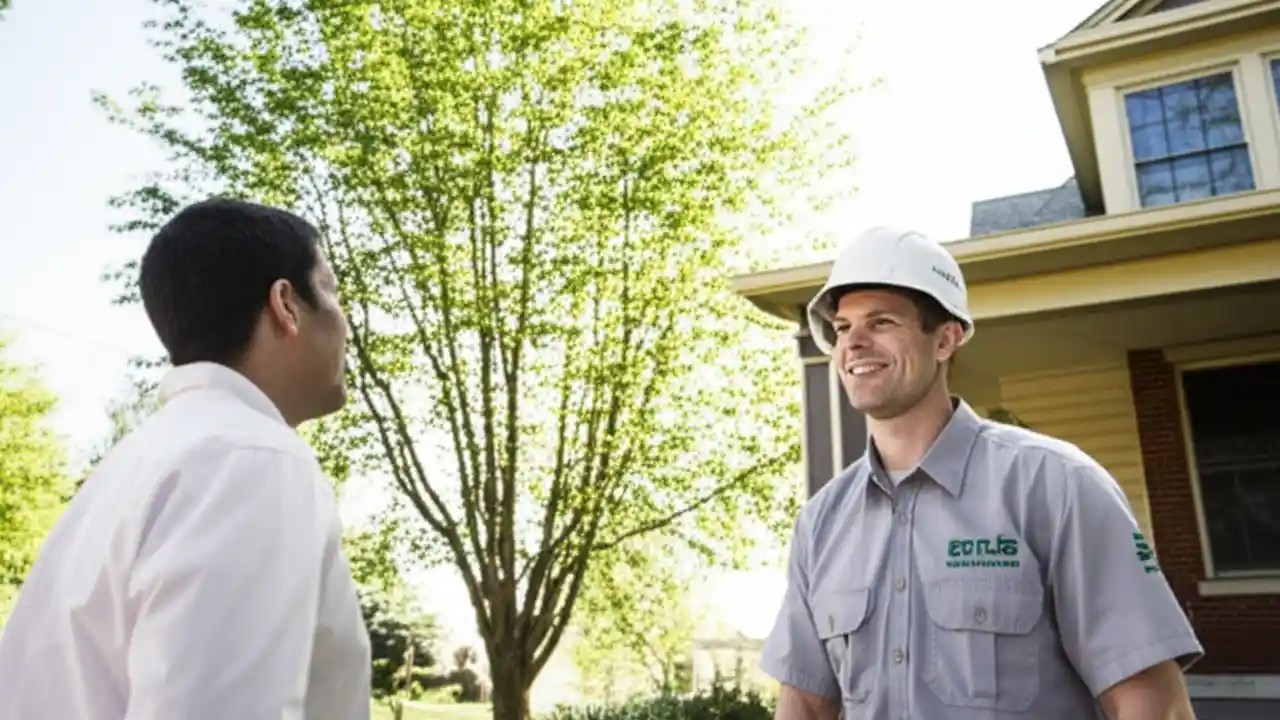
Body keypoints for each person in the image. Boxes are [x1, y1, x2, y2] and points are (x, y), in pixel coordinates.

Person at [759, 226, 1202, 719]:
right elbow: (803, 703)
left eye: (881, 322)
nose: (853, 344)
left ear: (946, 339)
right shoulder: (821, 523)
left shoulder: (1057, 486)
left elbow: (1152, 703)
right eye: (842, 328)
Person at [0, 198, 372, 719]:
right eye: (332, 293)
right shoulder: (251, 459)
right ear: (285, 304)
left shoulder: (137, 463)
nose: (345, 321)